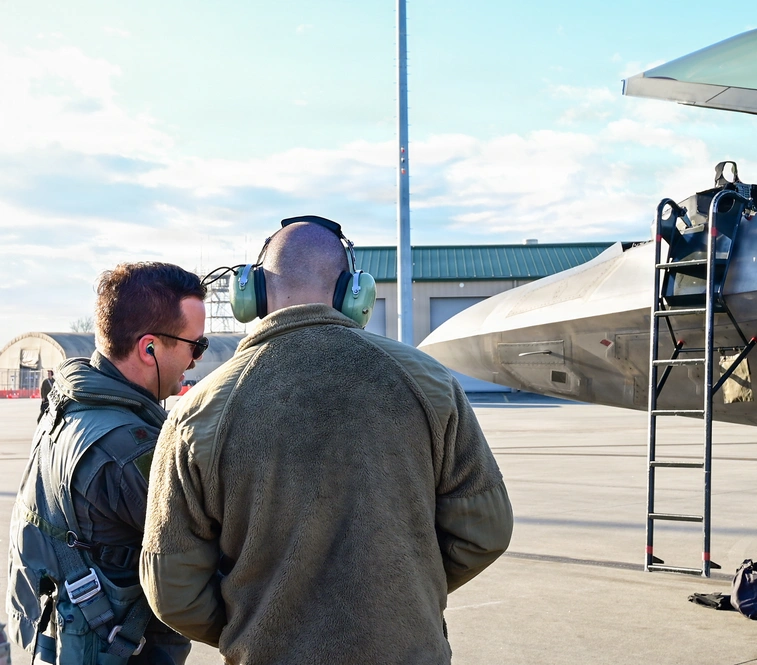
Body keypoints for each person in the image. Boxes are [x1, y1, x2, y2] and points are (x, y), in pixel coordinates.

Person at [140, 218, 514, 665]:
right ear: (353, 293)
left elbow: (173, 590)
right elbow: (485, 533)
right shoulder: (429, 383)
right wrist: (401, 597)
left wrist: (258, 622)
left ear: (252, 294)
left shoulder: (195, 413)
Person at [7, 262, 206, 665]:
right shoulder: (126, 449)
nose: (195, 362)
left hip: (62, 638)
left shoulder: (70, 399)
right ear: (148, 348)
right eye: (194, 346)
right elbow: (208, 554)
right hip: (113, 650)